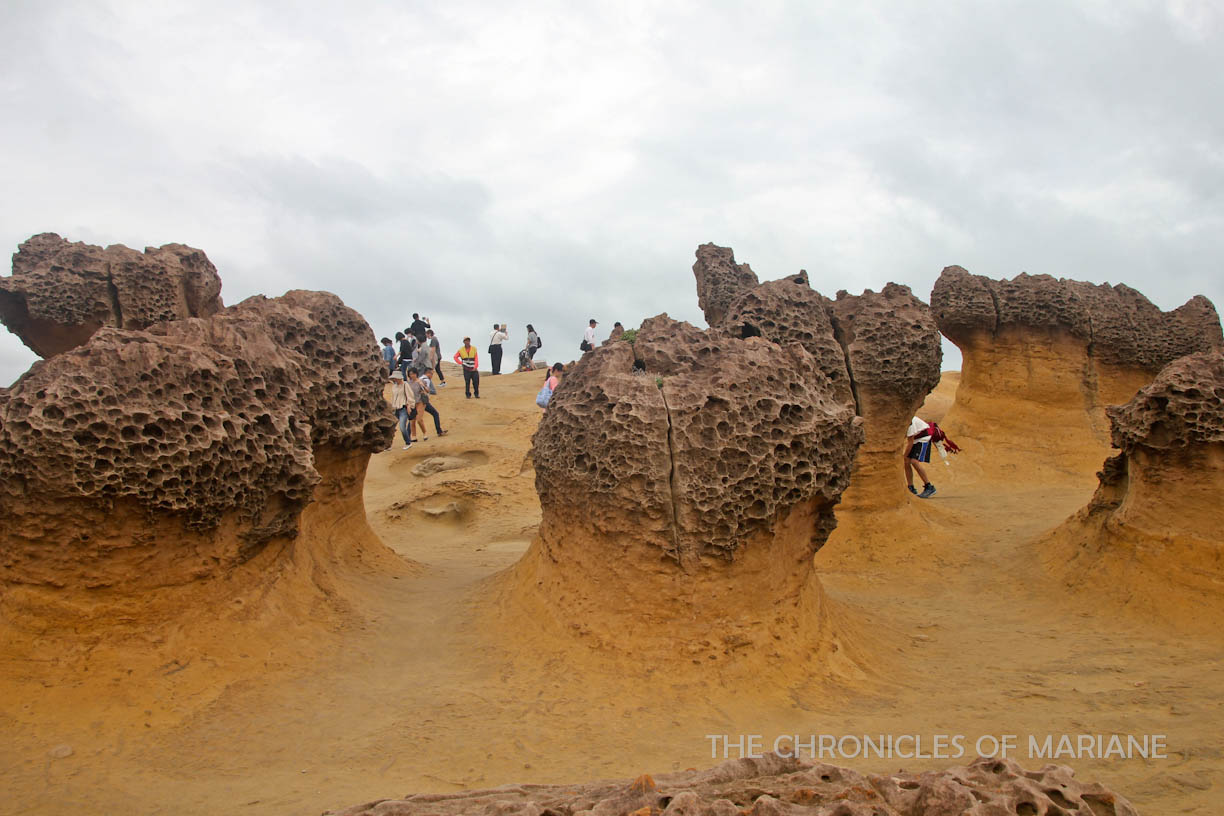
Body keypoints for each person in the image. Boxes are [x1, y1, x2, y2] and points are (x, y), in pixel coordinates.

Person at [408, 369, 447, 438]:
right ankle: (438, 431)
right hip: (421, 401)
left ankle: (409, 435)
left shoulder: (420, 379)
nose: (432, 376)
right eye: (431, 374)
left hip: (420, 401)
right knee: (417, 418)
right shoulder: (425, 380)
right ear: (428, 373)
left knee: (413, 419)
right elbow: (428, 390)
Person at [905, 415, 936, 498]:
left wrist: (905, 455)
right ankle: (911, 487)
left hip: (924, 438)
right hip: (916, 439)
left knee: (914, 461)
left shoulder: (909, 422)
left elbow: (910, 442)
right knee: (906, 461)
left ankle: (929, 487)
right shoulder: (903, 421)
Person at [389, 369, 415, 449]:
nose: (394, 379)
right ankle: (388, 445)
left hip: (403, 409)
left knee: (402, 427)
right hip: (395, 409)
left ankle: (408, 443)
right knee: (391, 427)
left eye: (395, 378)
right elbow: (393, 397)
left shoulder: (405, 385)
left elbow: (410, 396)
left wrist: (410, 406)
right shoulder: (394, 386)